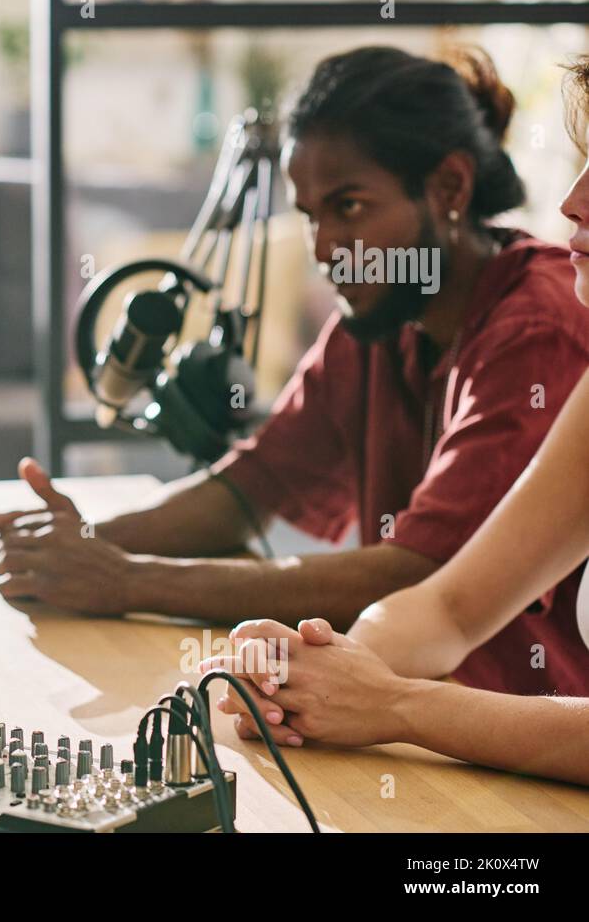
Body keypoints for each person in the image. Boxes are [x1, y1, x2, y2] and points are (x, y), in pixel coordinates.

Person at [0, 44, 589, 699]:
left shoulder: (538, 327)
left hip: (510, 734)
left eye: (349, 208)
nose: (322, 249)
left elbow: (413, 576)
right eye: (310, 215)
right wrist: (72, 543)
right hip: (404, 710)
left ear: (450, 188)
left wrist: (124, 579)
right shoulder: (379, 313)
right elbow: (250, 486)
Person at [201, 58, 589, 786]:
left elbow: (421, 580)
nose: (571, 201)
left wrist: (398, 704)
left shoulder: (539, 323)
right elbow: (445, 608)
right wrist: (315, 673)